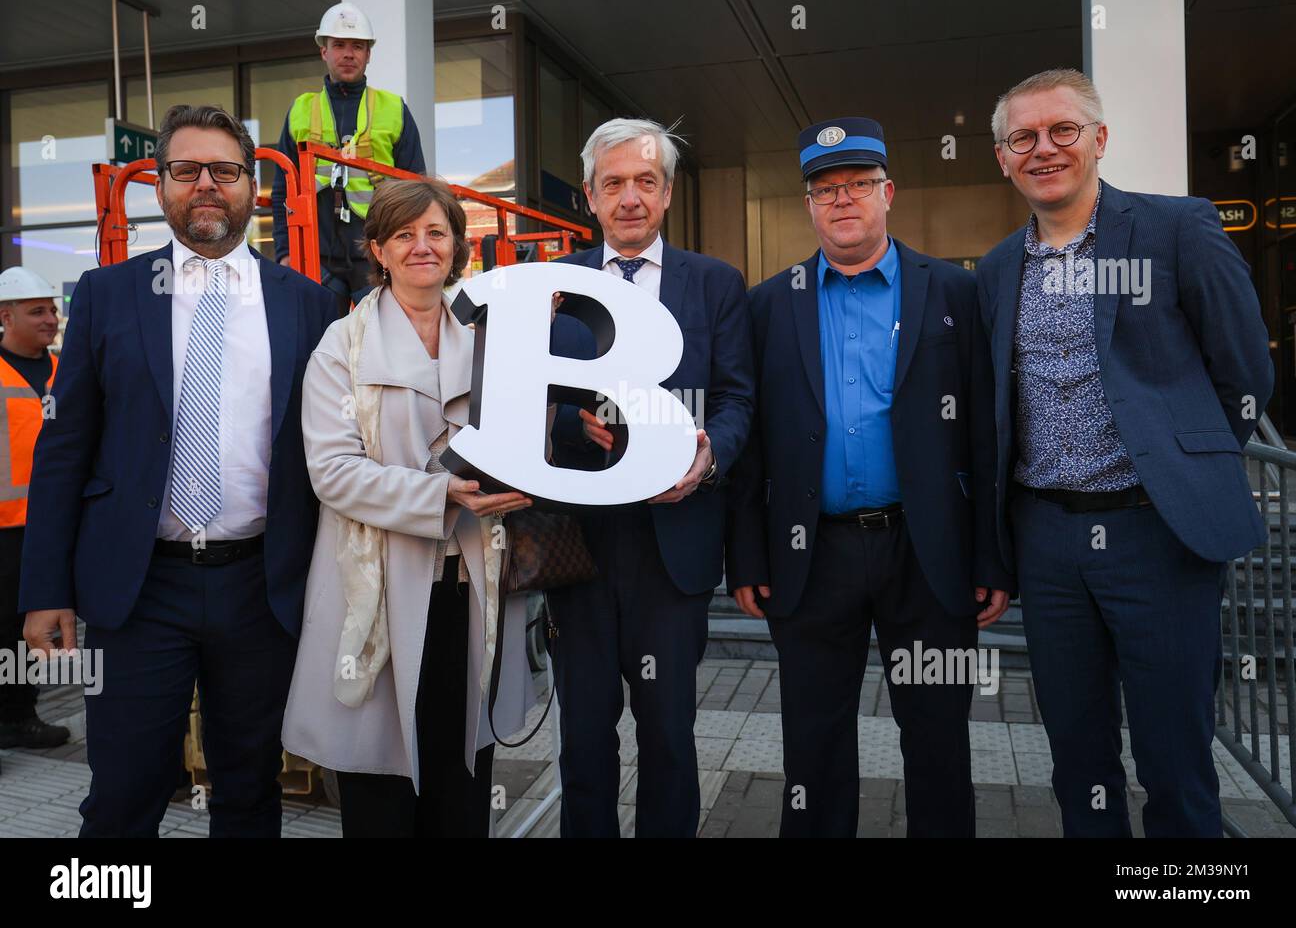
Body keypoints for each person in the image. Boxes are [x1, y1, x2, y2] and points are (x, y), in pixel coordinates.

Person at [19, 104, 337, 836]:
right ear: (159, 187)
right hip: (139, 589)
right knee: (123, 793)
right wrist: (46, 593)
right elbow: (63, 452)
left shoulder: (310, 306)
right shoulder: (106, 295)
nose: (205, 185)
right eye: (185, 170)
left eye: (224, 171)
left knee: (252, 789)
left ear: (252, 187)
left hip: (263, 585)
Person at [977, 68, 1273, 837]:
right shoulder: (1000, 266)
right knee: (1078, 758)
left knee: (1175, 762)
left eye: (1062, 130)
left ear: (1098, 139)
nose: (1044, 149)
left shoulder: (1179, 229)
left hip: (1157, 535)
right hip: (1047, 539)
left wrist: (1184, 465)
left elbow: (1244, 370)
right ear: (1004, 158)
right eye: (1023, 138)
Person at [725, 117, 1011, 838]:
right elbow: (749, 443)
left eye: (856, 184)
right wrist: (749, 558)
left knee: (938, 740)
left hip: (928, 556)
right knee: (813, 746)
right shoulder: (768, 304)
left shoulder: (952, 290)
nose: (841, 199)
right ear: (809, 206)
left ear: (890, 193)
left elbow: (983, 431)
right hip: (812, 556)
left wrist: (988, 555)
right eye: (824, 189)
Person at [281, 177, 540, 838]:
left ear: (458, 246)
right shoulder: (342, 347)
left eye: (436, 232)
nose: (422, 246)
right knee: (380, 788)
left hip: (471, 590)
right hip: (379, 599)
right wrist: (439, 495)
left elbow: (523, 438)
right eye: (404, 234)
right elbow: (332, 473)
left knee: (463, 783)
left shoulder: (494, 340)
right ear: (379, 249)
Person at [547, 117, 755, 838]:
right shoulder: (553, 289)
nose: (629, 197)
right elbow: (521, 402)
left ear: (666, 193)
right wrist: (573, 428)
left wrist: (709, 456)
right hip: (579, 550)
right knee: (582, 742)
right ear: (590, 196)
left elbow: (737, 399)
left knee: (669, 737)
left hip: (675, 547)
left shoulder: (717, 285)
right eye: (614, 184)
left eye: (645, 182)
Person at [270, 1, 427, 317]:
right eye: (338, 44)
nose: (348, 53)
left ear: (368, 54)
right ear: (323, 51)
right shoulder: (300, 110)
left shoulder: (394, 109)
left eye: (357, 46)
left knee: (385, 345)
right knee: (319, 349)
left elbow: (418, 191)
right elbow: (281, 191)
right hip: (318, 257)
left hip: (376, 255)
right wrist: (285, 253)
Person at [0, 268, 69, 753]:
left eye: (52, 309)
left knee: (32, 629)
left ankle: (19, 717)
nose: (51, 319)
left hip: (51, 524)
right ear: (6, 316)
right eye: (37, 311)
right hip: (4, 529)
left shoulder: (68, 371)